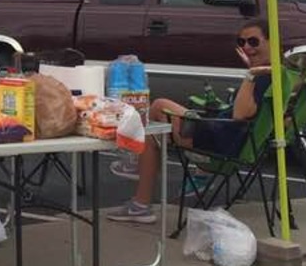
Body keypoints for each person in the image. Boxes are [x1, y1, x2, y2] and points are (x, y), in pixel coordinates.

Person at [108, 18, 274, 224]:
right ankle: (140, 196)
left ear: (271, 41)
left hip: (221, 140)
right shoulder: (277, 73)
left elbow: (240, 114)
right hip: (224, 132)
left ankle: (138, 177)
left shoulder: (263, 76)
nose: (247, 47)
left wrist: (249, 75)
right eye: (242, 43)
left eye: (253, 42)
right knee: (154, 134)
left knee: (159, 106)